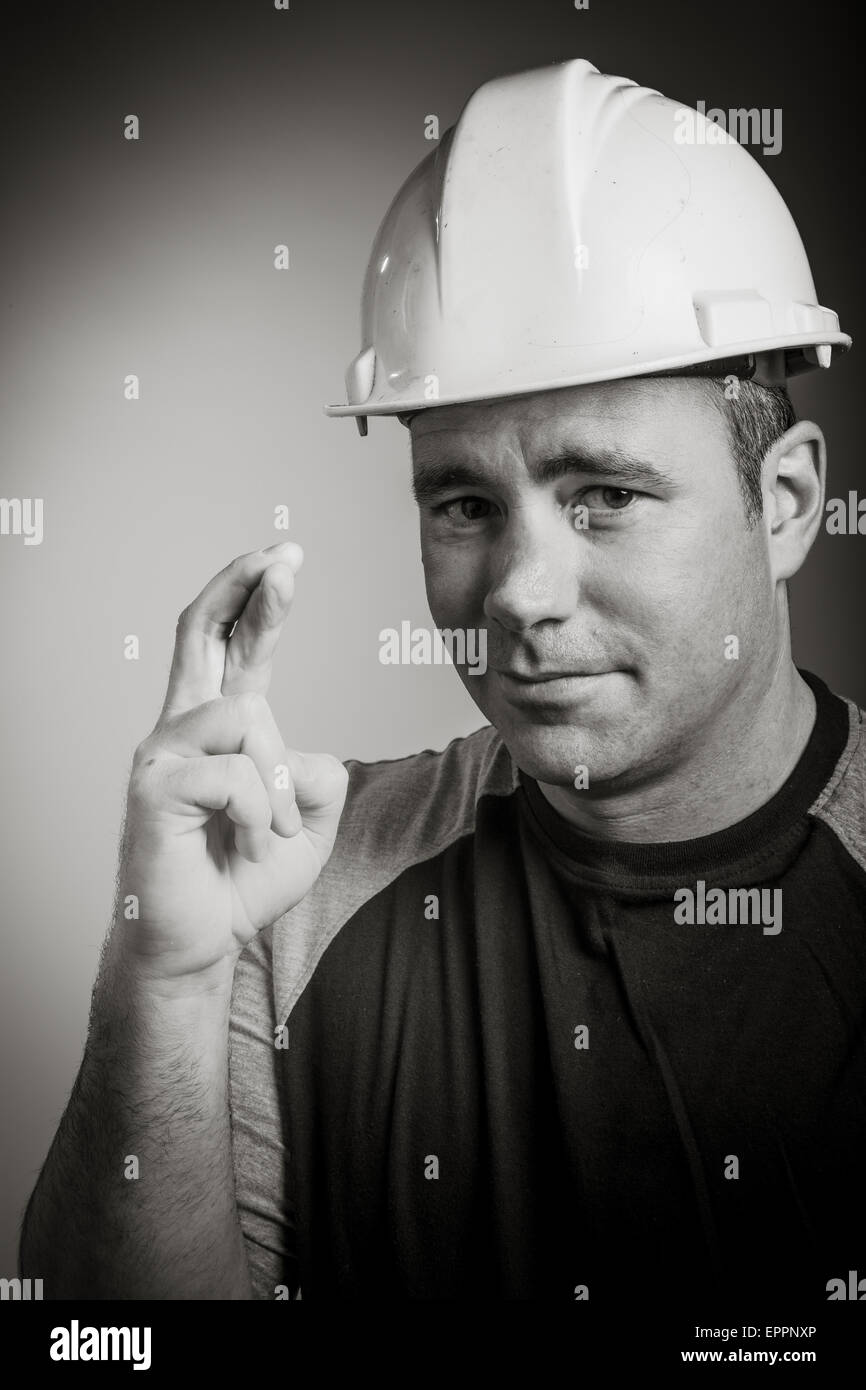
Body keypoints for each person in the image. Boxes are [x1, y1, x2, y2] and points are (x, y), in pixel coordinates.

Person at [20, 57, 865, 1304]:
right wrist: (168, 977)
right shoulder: (293, 890)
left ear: (783, 503)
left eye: (606, 496)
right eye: (464, 503)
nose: (519, 590)